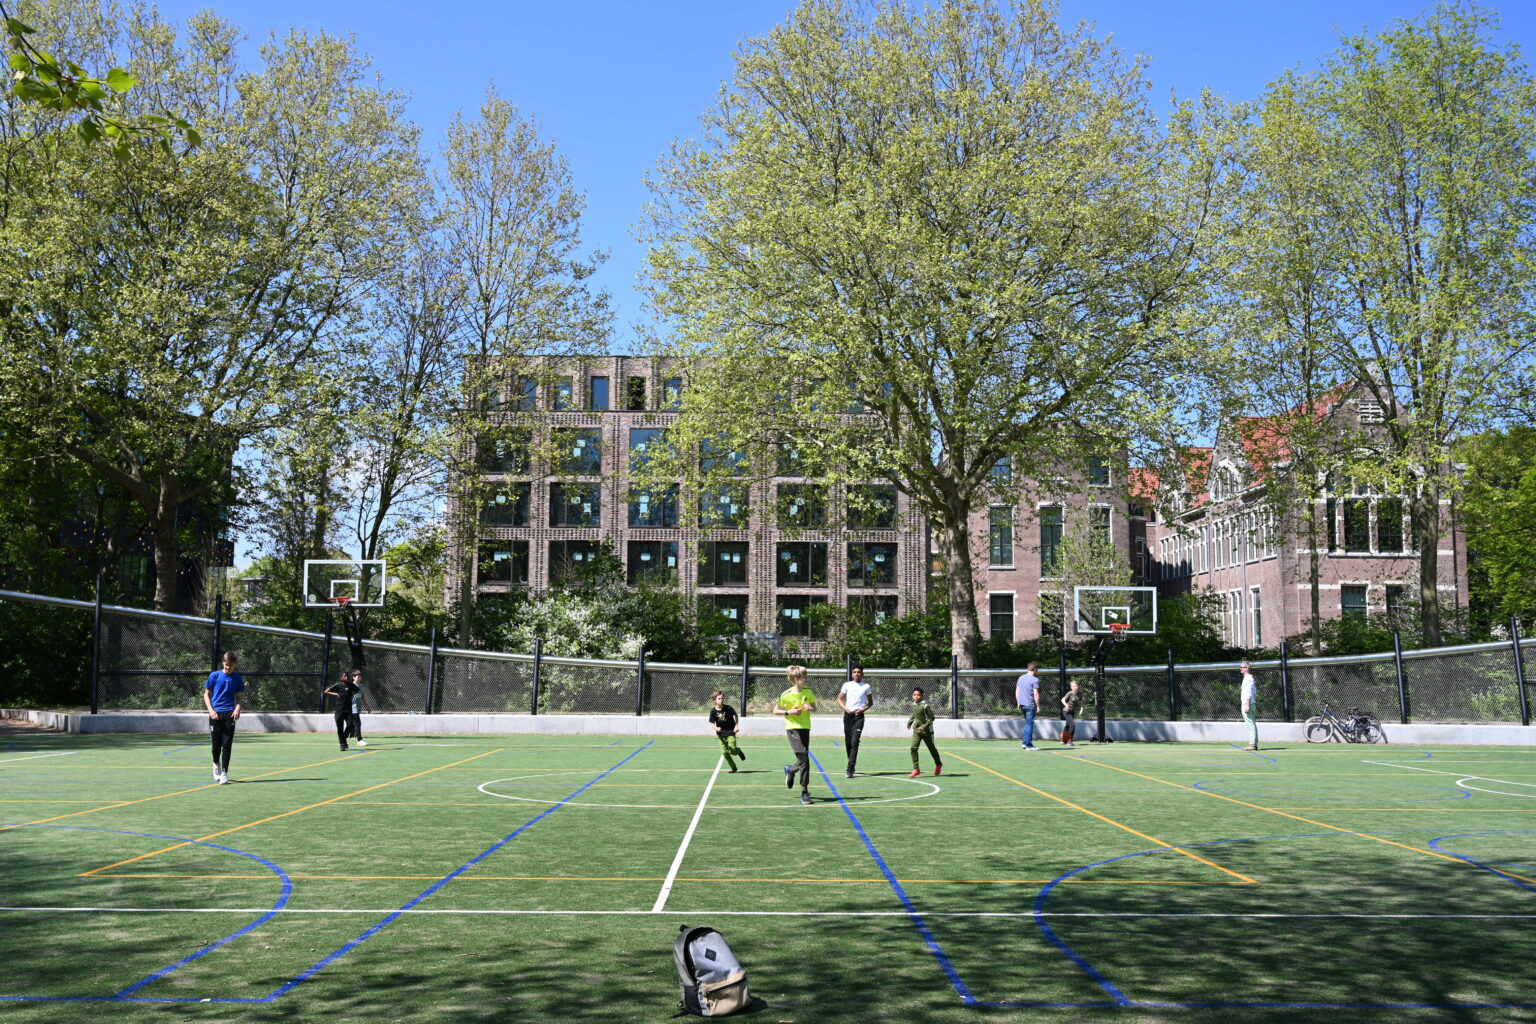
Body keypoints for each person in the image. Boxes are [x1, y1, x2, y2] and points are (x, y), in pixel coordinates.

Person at [776, 665, 817, 805]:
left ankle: (791, 770)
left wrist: (810, 708)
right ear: (795, 679)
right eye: (802, 677)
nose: (805, 679)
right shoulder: (786, 694)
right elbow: (775, 710)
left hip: (805, 728)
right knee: (804, 759)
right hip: (792, 728)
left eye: (805, 676)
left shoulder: (808, 691)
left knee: (803, 758)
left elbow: (815, 708)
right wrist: (789, 712)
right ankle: (804, 793)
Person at [203, 651, 244, 784]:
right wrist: (211, 711)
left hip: (229, 714)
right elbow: (206, 694)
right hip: (215, 714)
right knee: (216, 746)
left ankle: (224, 773)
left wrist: (237, 708)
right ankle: (216, 764)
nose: (228, 667)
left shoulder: (237, 678)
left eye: (230, 665)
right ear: (223, 663)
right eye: (226, 665)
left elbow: (238, 698)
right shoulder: (214, 676)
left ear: (234, 665)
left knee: (227, 744)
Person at [836, 664, 873, 778]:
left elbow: (870, 703)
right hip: (848, 716)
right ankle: (851, 761)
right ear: (852, 674)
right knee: (848, 742)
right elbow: (839, 699)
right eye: (855, 672)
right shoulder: (847, 685)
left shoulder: (866, 686)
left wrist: (862, 710)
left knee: (854, 742)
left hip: (859, 717)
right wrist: (846, 708)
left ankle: (850, 768)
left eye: (859, 672)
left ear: (862, 674)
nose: (857, 674)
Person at [906, 687, 942, 777]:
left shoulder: (925, 706)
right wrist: (910, 722)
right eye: (914, 695)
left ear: (922, 696)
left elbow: (931, 718)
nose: (916, 696)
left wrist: (924, 726)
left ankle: (938, 764)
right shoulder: (914, 704)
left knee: (932, 749)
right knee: (913, 748)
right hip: (917, 731)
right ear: (912, 696)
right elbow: (914, 714)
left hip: (927, 732)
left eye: (918, 695)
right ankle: (916, 769)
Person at [708, 690, 746, 772]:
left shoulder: (728, 708)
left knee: (732, 750)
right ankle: (733, 768)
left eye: (722, 698)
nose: (721, 700)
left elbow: (736, 715)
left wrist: (736, 725)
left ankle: (738, 751)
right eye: (719, 698)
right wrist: (717, 728)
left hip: (730, 732)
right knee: (725, 753)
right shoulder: (713, 711)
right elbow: (712, 724)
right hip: (721, 735)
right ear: (714, 700)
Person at [324, 670, 359, 751]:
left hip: (348, 710)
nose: (346, 677)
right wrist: (336, 694)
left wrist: (352, 694)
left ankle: (344, 737)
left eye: (347, 676)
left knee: (350, 725)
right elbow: (326, 691)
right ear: (341, 678)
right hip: (339, 710)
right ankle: (343, 745)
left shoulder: (351, 685)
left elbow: (357, 690)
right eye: (345, 676)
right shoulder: (338, 685)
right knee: (340, 728)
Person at [1016, 661, 1041, 750]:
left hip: (1022, 705)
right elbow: (1036, 694)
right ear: (1035, 670)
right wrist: (1038, 706)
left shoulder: (1021, 678)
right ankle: (1028, 745)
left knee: (1027, 724)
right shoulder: (1035, 680)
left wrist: (1018, 702)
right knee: (1029, 725)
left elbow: (1017, 691)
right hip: (1030, 705)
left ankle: (1024, 742)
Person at [1240, 659, 1259, 751]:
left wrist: (1247, 705)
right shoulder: (1248, 678)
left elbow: (1249, 692)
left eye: (1242, 667)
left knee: (1251, 725)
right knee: (1251, 724)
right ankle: (1253, 743)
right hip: (1249, 704)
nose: (1240, 668)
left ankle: (1253, 744)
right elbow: (1255, 691)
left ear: (1247, 668)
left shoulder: (1248, 678)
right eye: (1240, 667)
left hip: (1248, 704)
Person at [348, 668, 367, 749]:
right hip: (351, 708)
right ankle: (359, 740)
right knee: (357, 723)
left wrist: (368, 707)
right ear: (353, 677)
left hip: (357, 708)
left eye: (360, 677)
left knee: (351, 724)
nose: (359, 678)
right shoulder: (350, 686)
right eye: (357, 677)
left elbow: (363, 697)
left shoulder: (361, 686)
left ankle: (345, 738)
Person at [1060, 679, 1082, 747]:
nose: (1075, 687)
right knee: (1072, 725)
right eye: (1073, 686)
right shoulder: (1070, 693)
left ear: (1078, 686)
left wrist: (1081, 709)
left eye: (1076, 686)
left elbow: (1080, 702)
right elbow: (1062, 700)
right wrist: (1066, 705)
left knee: (1067, 725)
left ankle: (1063, 740)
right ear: (1071, 687)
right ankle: (1069, 741)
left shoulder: (1079, 694)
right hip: (1066, 711)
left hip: (1072, 712)